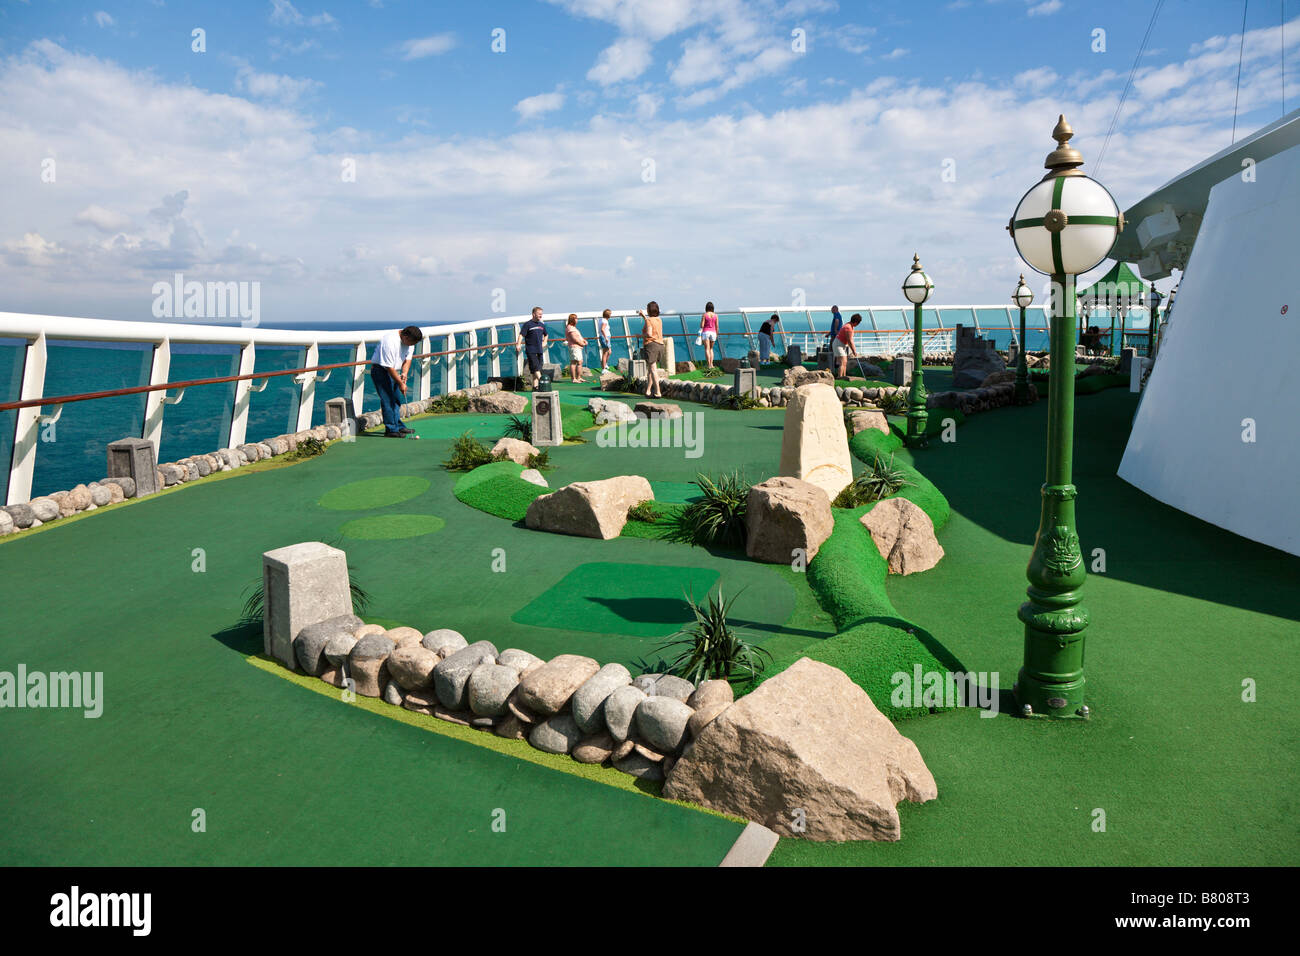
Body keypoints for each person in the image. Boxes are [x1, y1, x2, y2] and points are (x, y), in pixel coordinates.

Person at [369, 325, 423, 438]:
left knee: (396, 399)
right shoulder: (389, 341)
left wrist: (404, 374)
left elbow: (407, 359)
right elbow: (389, 367)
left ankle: (398, 426)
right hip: (381, 370)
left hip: (394, 371)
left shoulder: (410, 342)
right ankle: (391, 430)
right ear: (405, 336)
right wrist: (400, 383)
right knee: (388, 399)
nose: (411, 346)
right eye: (411, 343)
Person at [637, 300, 665, 399]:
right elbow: (650, 322)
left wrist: (641, 335)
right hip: (660, 344)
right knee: (651, 369)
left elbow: (649, 333)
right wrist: (643, 316)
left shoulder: (649, 320)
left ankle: (658, 392)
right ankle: (648, 391)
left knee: (653, 369)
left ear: (649, 310)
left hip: (651, 345)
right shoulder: (659, 319)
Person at [520, 307, 548, 389]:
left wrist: (545, 342)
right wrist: (518, 344)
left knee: (537, 369)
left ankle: (535, 386)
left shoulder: (541, 325)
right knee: (535, 367)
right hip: (531, 349)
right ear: (533, 314)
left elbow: (546, 334)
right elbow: (521, 335)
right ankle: (544, 383)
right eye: (539, 314)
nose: (540, 316)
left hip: (539, 349)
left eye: (541, 314)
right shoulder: (527, 324)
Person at [833, 313, 863, 379]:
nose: (858, 324)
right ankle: (839, 378)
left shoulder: (850, 325)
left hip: (841, 344)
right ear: (856, 322)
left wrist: (853, 350)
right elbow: (849, 340)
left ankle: (844, 377)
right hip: (838, 344)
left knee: (845, 362)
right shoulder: (848, 327)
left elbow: (850, 340)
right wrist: (854, 351)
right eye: (858, 323)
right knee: (842, 362)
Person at [565, 314, 588, 383]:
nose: (577, 320)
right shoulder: (570, 328)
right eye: (576, 318)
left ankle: (578, 377)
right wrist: (581, 343)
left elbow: (578, 336)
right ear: (572, 320)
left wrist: (583, 340)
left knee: (578, 362)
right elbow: (574, 338)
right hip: (574, 347)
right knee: (574, 362)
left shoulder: (572, 327)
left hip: (577, 347)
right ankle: (574, 379)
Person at [698, 301, 719, 368]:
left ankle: (708, 364)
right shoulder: (716, 315)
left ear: (706, 307)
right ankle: (712, 364)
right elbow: (717, 326)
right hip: (713, 333)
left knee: (707, 349)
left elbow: (702, 325)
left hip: (706, 332)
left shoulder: (704, 315)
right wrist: (717, 334)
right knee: (711, 349)